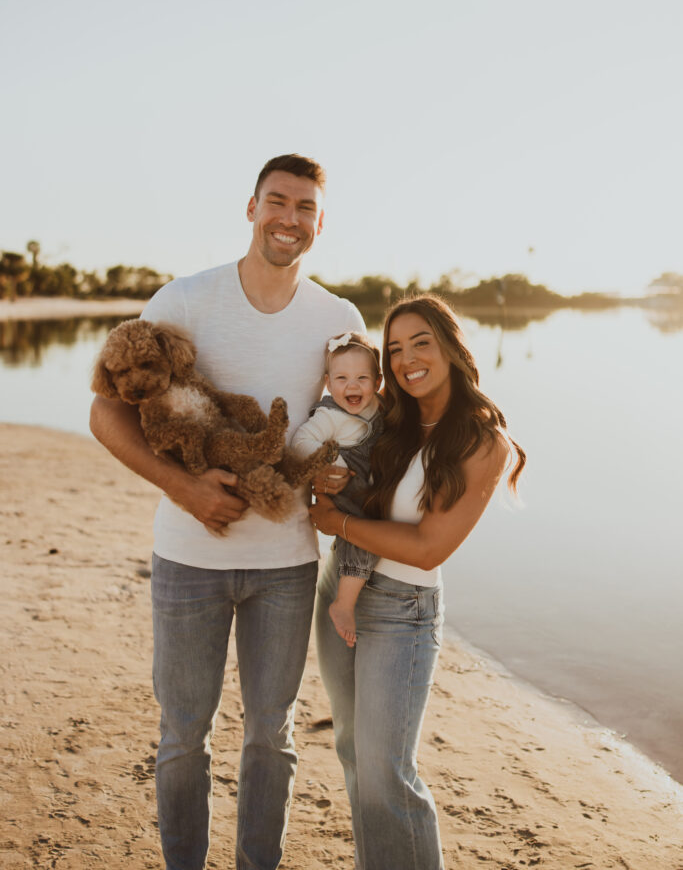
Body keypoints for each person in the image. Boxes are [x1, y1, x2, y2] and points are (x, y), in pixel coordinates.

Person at [89, 154, 364, 870]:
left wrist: (340, 485)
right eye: (277, 202)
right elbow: (106, 412)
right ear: (250, 209)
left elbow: (352, 428)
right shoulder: (183, 301)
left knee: (270, 734)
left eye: (304, 208)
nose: (289, 218)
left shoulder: (338, 319)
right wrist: (181, 487)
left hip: (285, 567)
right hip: (188, 559)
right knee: (184, 733)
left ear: (320, 223)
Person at [309, 294, 525, 870]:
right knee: (354, 753)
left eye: (420, 343)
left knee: (388, 773)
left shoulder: (483, 441)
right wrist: (327, 479)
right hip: (340, 589)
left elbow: (432, 546)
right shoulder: (389, 419)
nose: (406, 360)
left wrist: (339, 522)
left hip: (402, 611)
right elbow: (338, 463)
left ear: (452, 348)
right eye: (396, 348)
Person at [291, 331, 383, 647]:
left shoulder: (380, 409)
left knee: (375, 529)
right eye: (342, 378)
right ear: (329, 383)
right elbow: (300, 441)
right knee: (362, 538)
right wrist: (335, 464)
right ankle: (343, 604)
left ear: (378, 382)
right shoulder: (330, 414)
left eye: (362, 378)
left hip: (370, 486)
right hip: (346, 493)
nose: (352, 386)